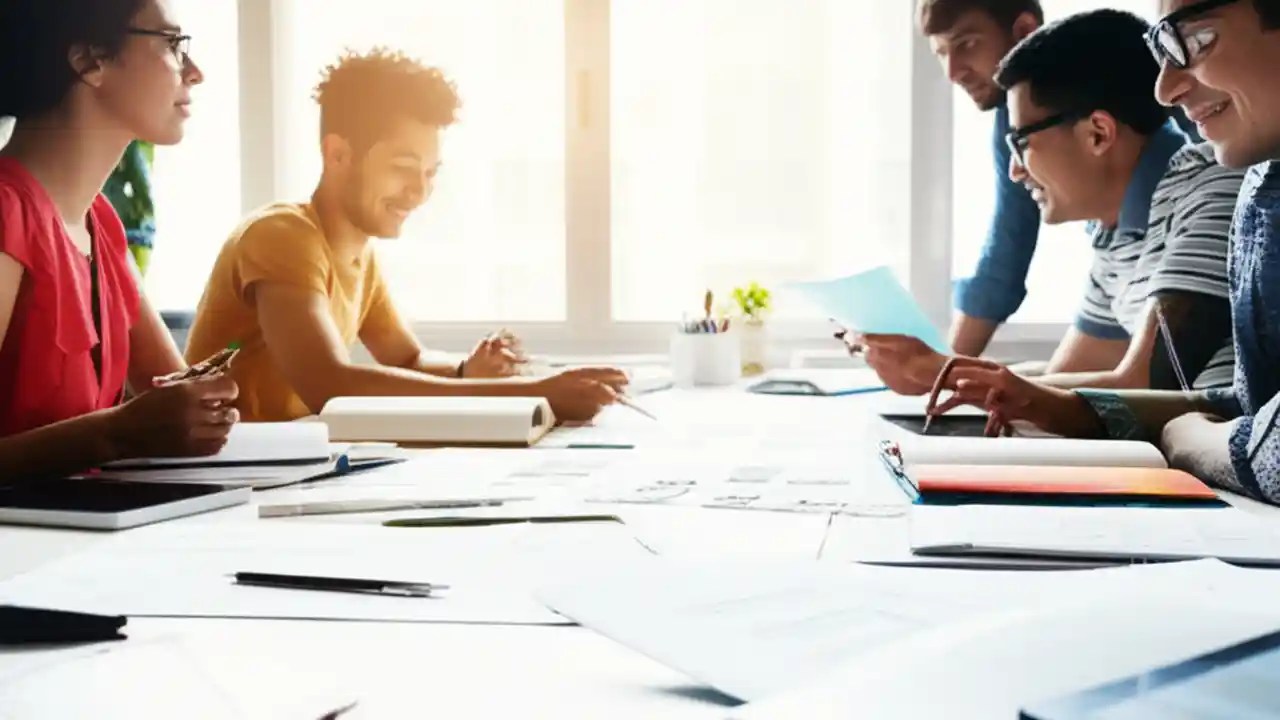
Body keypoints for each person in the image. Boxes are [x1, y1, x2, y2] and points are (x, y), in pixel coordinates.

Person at [928, 0, 1280, 504]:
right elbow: (1069, 376)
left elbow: (1184, 401)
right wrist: (962, 376)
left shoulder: (1220, 184)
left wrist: (1186, 436)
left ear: (1099, 132)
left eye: (1199, 42)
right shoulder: (1249, 190)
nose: (1167, 89)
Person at [185, 49, 625, 423]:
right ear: (338, 153)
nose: (420, 192)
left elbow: (409, 360)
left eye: (430, 173)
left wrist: (465, 370)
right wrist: (533, 393)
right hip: (223, 479)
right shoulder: (282, 236)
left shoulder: (359, 254)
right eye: (402, 168)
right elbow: (330, 385)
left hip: (283, 472)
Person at [855, 9, 1243, 402]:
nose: (1015, 172)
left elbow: (1142, 384)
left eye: (1021, 143)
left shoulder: (1214, 190)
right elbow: (1070, 378)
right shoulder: (1115, 232)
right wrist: (947, 373)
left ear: (1098, 133)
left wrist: (945, 372)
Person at [0, 0, 239, 478]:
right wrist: (113, 434)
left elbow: (168, 396)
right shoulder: (6, 215)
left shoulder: (100, 222)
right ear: (89, 59)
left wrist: (201, 410)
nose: (195, 73)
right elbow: (131, 425)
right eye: (172, 44)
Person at [919, 0, 1045, 357]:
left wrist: (942, 373)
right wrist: (942, 373)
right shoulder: (1012, 117)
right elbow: (1007, 247)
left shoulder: (1101, 93)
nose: (952, 72)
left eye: (967, 44)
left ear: (1024, 32)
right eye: (941, 53)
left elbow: (1007, 250)